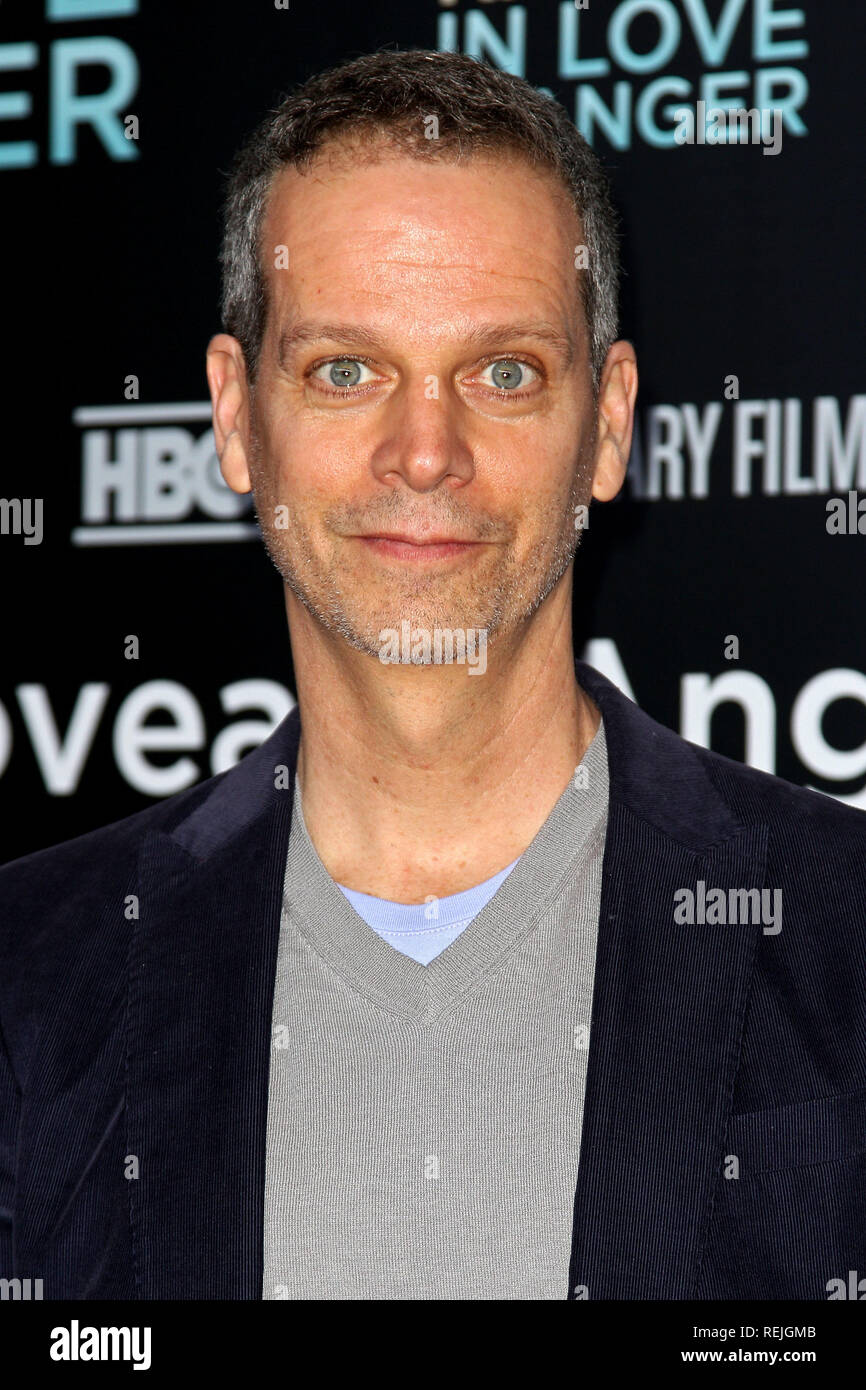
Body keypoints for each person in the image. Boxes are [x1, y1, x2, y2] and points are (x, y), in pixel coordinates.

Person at [1, 49, 864, 1303]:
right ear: (237, 419)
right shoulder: (30, 974)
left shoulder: (842, 934)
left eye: (502, 372)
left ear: (608, 424)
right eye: (344, 370)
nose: (424, 452)